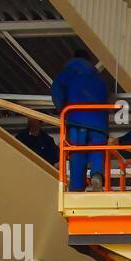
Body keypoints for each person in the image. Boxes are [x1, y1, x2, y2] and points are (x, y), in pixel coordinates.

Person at [50, 49, 110, 190]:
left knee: (77, 153)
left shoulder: (67, 74)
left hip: (76, 121)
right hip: (99, 124)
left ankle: (76, 187)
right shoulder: (99, 79)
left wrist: (63, 110)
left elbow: (57, 93)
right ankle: (96, 175)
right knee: (97, 150)